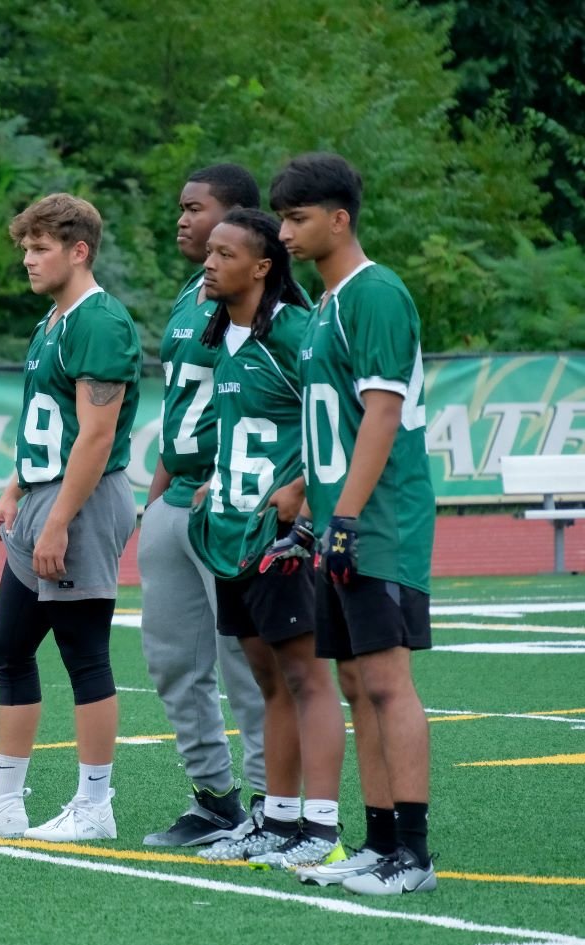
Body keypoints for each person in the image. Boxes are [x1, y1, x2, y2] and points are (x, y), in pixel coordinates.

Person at [0, 193, 140, 842]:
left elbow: (96, 435)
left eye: (40, 247)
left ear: (79, 251)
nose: (27, 259)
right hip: (43, 495)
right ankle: (4, 798)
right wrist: (14, 489)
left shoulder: (98, 322)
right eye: (26, 247)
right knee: (8, 646)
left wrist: (59, 521)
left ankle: (95, 804)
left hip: (81, 500)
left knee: (84, 653)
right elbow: (49, 425)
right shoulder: (53, 320)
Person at [271, 153, 436, 894]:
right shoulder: (326, 304)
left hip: (380, 519)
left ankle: (414, 856)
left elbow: (382, 414)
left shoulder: (375, 293)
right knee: (354, 681)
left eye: (297, 218)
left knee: (387, 680)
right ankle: (378, 841)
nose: (285, 233)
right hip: (343, 516)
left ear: (340, 219)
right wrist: (305, 499)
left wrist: (344, 514)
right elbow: (333, 424)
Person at [182, 209, 347, 871]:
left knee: (306, 677)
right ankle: (277, 819)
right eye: (209, 251)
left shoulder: (294, 332)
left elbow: (341, 415)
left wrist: (302, 487)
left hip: (280, 535)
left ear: (263, 267)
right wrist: (217, 481)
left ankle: (322, 826)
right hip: (233, 530)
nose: (209, 262)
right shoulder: (224, 333)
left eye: (225, 254)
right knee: (268, 682)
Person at [140, 165, 269, 847]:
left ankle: (275, 805)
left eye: (195, 208)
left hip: (233, 503)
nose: (182, 221)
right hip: (178, 498)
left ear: (237, 218)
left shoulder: (269, 308)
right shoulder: (193, 293)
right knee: (171, 660)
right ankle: (215, 798)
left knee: (245, 662)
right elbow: (182, 404)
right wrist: (157, 495)